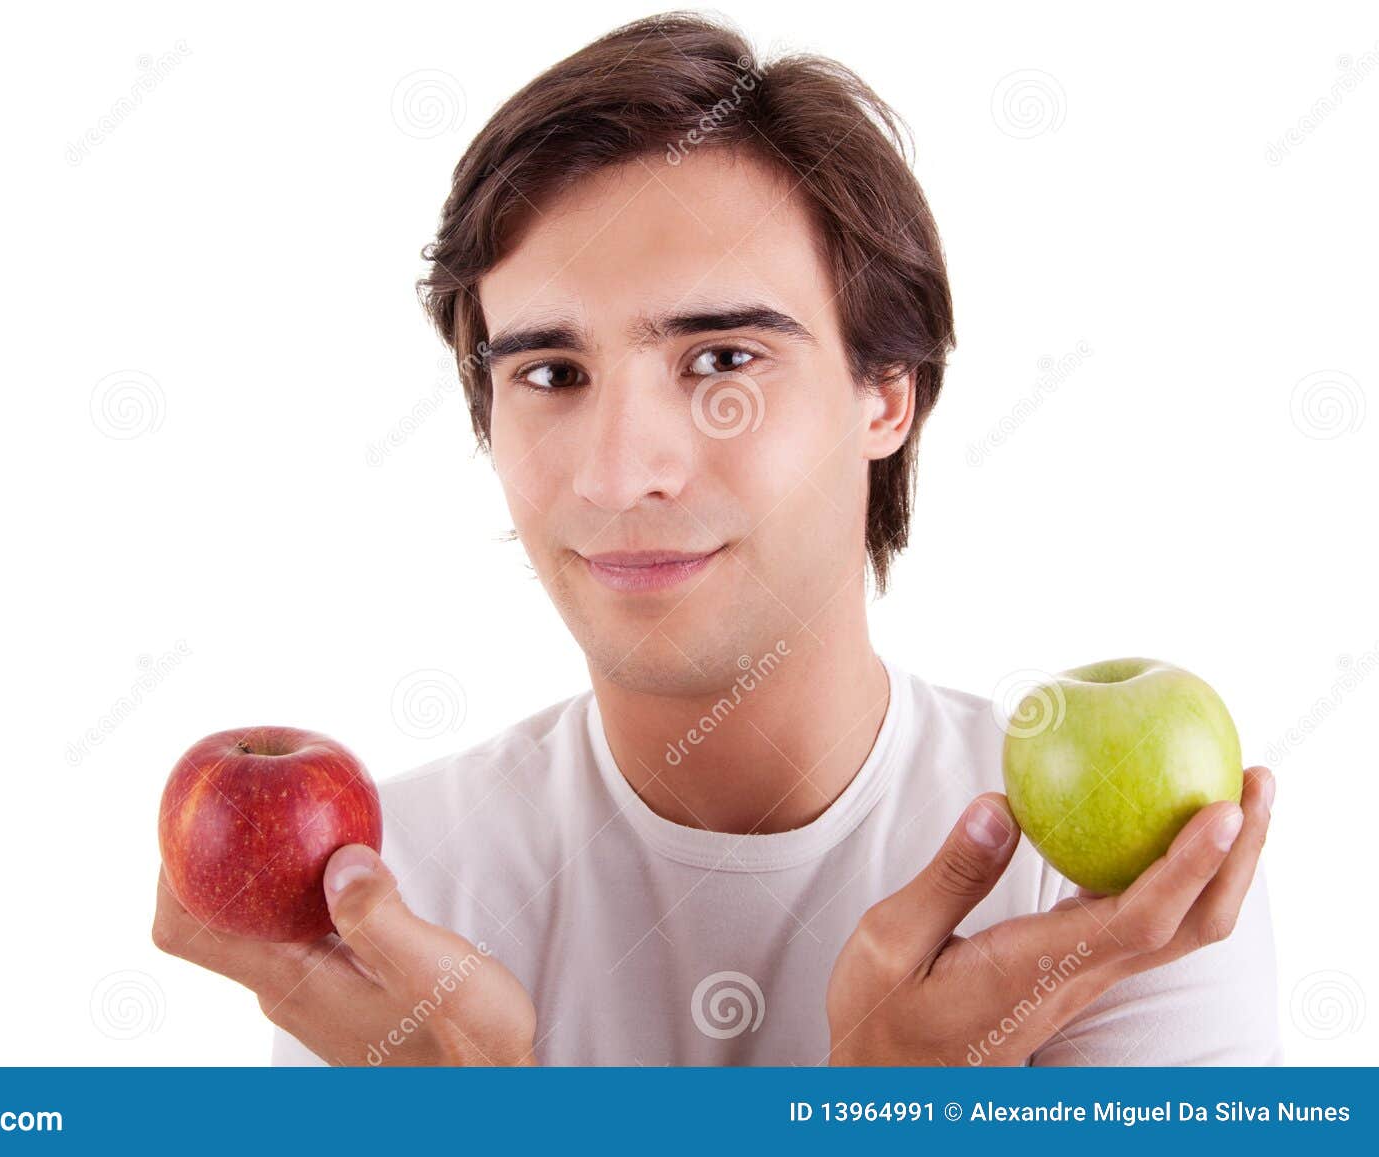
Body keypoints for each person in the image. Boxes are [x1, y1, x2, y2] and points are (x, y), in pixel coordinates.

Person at [151, 12, 1278, 1066]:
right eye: (551, 374)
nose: (620, 470)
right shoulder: (390, 890)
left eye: (722, 360)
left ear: (888, 390)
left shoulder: (1107, 883)